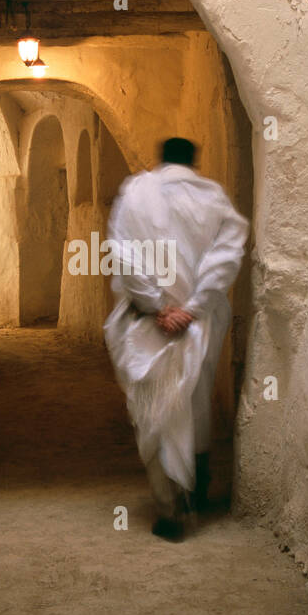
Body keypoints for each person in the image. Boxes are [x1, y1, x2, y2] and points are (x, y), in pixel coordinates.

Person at [103, 137, 249, 539]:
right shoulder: (214, 197)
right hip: (196, 324)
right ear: (194, 162)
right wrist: (192, 307)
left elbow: (123, 253)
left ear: (161, 159)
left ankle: (171, 505)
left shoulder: (135, 192)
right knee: (194, 400)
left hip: (147, 323)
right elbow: (227, 256)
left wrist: (156, 305)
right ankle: (196, 486)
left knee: (155, 410)